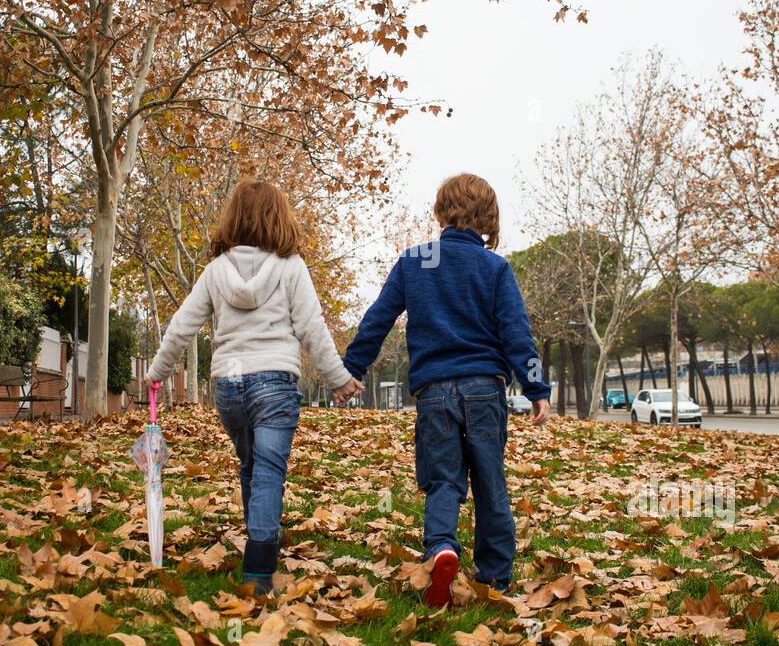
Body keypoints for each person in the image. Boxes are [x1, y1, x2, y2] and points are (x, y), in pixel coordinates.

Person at [340, 173, 550, 606]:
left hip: (434, 391)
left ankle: (441, 548)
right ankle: (495, 576)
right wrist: (536, 387)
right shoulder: (494, 267)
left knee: (443, 481)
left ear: (440, 211)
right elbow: (516, 333)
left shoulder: (415, 260)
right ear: (489, 218)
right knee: (491, 482)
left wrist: (351, 369)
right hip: (484, 392)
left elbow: (378, 319)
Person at [146, 179, 362, 595]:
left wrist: (158, 372)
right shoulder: (290, 266)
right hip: (275, 383)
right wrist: (338, 379)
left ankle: (260, 539)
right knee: (268, 471)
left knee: (251, 466)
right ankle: (260, 567)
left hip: (229, 385)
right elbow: (311, 328)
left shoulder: (215, 271)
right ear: (278, 218)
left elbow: (182, 327)